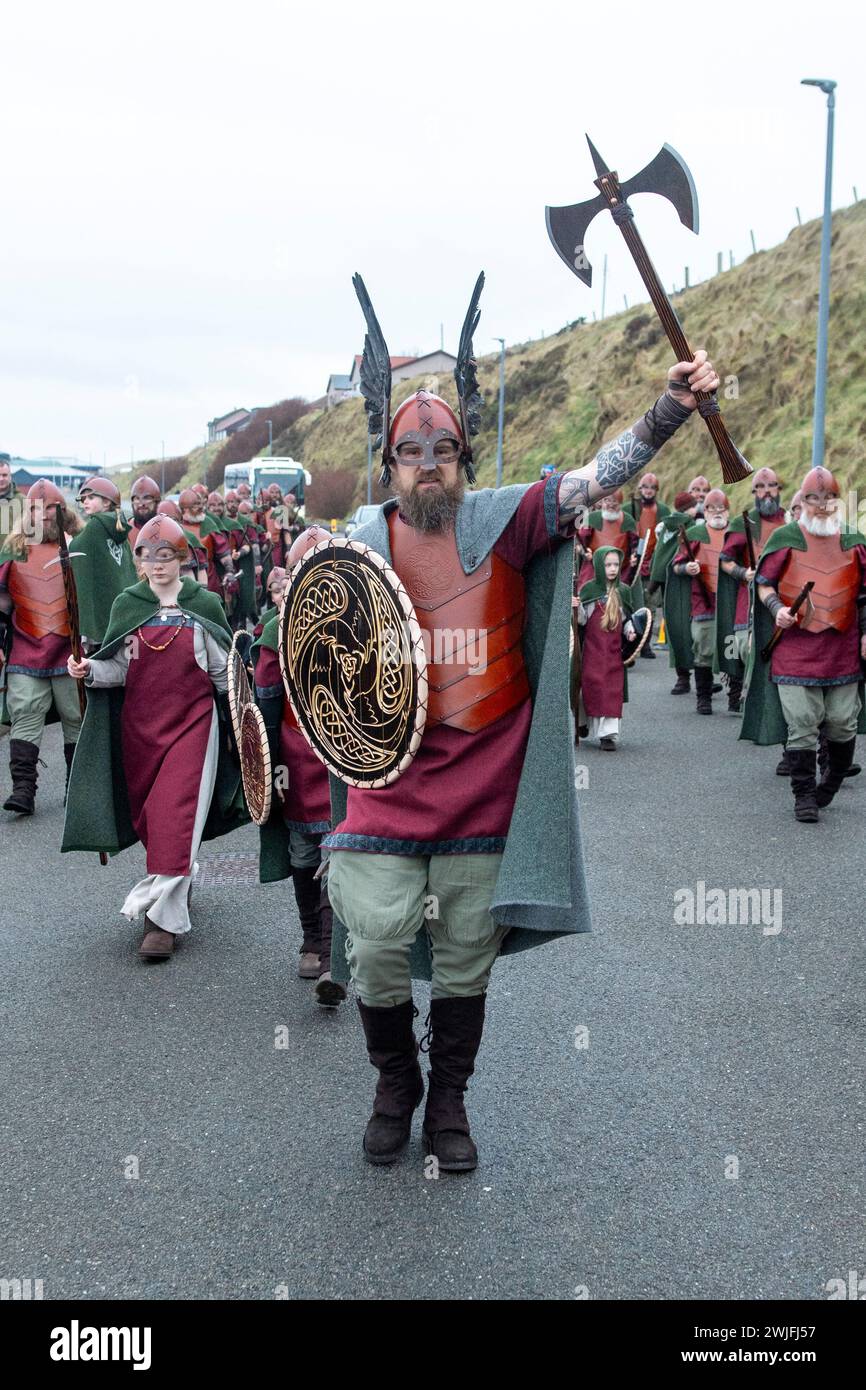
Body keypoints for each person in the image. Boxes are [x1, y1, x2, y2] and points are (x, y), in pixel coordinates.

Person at [325, 274, 720, 1170]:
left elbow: (595, 477)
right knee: (378, 941)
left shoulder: (507, 517)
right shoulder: (355, 538)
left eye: (445, 452)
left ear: (465, 457)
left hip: (482, 797)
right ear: (390, 464)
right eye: (412, 453)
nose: (429, 466)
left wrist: (667, 410)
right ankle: (397, 1079)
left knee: (466, 957)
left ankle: (450, 1099)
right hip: (384, 792)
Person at [62, 516, 247, 958]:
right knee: (154, 821)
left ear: (182, 559)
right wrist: (88, 669)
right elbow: (119, 670)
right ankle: (174, 887)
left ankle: (157, 920)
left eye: (167, 556)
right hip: (141, 733)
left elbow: (224, 674)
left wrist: (241, 722)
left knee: (175, 814)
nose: (157, 564)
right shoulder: (129, 604)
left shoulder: (204, 605)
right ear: (138, 560)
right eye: (147, 555)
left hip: (193, 727)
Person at [252, 527, 345, 1006]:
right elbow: (264, 707)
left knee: (340, 855)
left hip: (347, 756)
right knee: (304, 855)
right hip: (294, 757)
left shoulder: (360, 618)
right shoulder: (275, 631)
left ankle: (332, 955)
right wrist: (260, 768)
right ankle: (312, 939)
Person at [741, 466, 866, 822]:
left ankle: (834, 779)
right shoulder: (786, 538)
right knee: (802, 724)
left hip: (842, 651)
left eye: (828, 499)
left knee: (843, 722)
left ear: (837, 501)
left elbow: (865, 594)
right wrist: (776, 608)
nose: (821, 505)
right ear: (804, 500)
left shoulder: (855, 541)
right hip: (794, 652)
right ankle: (804, 795)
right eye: (814, 498)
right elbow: (764, 582)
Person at [0, 480, 83, 813]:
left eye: (51, 508)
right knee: (25, 714)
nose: (44, 515)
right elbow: (2, 605)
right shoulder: (14, 551)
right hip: (26, 647)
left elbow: (93, 601)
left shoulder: (79, 547)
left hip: (70, 651)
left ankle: (76, 788)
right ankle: (23, 790)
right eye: (36, 508)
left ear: (63, 512)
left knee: (75, 717)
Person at [666, 487, 730, 714]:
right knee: (703, 648)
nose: (717, 512)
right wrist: (687, 567)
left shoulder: (736, 535)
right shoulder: (695, 534)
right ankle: (703, 698)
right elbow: (675, 565)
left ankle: (735, 693)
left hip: (731, 601)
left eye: (721, 508)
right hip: (702, 601)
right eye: (711, 508)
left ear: (728, 510)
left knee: (735, 649)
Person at [576, 546, 639, 749]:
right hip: (593, 651)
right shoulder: (588, 590)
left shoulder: (624, 590)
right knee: (591, 686)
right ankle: (583, 723)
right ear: (598, 566)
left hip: (614, 651)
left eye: (615, 564)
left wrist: (630, 631)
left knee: (611, 690)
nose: (612, 569)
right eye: (607, 564)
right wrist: (576, 608)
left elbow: (627, 617)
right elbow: (582, 621)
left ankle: (608, 734)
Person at [72, 476, 138, 650]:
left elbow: (74, 549)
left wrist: (68, 541)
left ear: (107, 502)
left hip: (104, 619)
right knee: (128, 664)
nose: (85, 501)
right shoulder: (120, 526)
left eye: (91, 497)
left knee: (102, 668)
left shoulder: (95, 526)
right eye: (84, 498)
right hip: (128, 615)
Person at [629, 471, 671, 659]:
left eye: (652, 488)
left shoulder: (663, 512)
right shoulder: (629, 508)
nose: (648, 491)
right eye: (645, 487)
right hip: (632, 563)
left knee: (650, 606)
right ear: (640, 489)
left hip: (653, 564)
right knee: (631, 603)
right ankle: (630, 642)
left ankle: (645, 644)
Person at [575, 488, 639, 589]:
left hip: (620, 571)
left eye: (614, 501)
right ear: (602, 502)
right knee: (588, 594)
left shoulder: (628, 520)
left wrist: (633, 556)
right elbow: (580, 541)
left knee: (618, 598)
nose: (611, 504)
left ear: (620, 503)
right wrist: (584, 552)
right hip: (594, 569)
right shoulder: (591, 518)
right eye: (607, 500)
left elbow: (635, 544)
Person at [0, 453, 25, 549]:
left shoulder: (22, 501)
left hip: (11, 557)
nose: (1, 479)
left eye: (4, 475)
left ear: (10, 476)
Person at [128, 475, 161, 546]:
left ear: (157, 502)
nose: (141, 504)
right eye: (137, 498)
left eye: (147, 498)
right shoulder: (124, 531)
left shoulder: (167, 528)